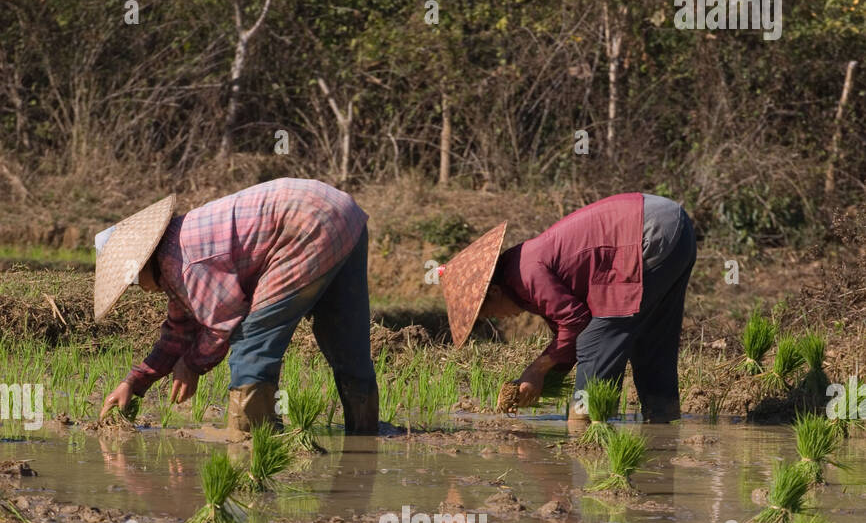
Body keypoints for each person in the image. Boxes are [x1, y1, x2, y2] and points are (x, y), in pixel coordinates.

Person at [97, 179, 383, 438]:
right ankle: (365, 440)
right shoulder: (175, 250)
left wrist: (192, 365)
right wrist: (134, 383)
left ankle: (254, 444)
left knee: (252, 344)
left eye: (133, 280)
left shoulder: (184, 263)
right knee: (345, 339)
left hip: (304, 225)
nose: (141, 288)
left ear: (144, 259)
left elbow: (225, 322)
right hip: (342, 212)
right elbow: (178, 332)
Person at [437, 193, 696, 423]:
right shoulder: (518, 269)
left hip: (647, 233)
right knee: (651, 337)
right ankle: (664, 418)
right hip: (672, 225)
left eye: (491, 313)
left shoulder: (526, 275)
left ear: (494, 292)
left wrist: (536, 369)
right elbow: (566, 334)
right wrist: (542, 379)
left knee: (596, 340)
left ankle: (584, 423)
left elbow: (577, 325)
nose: (501, 318)